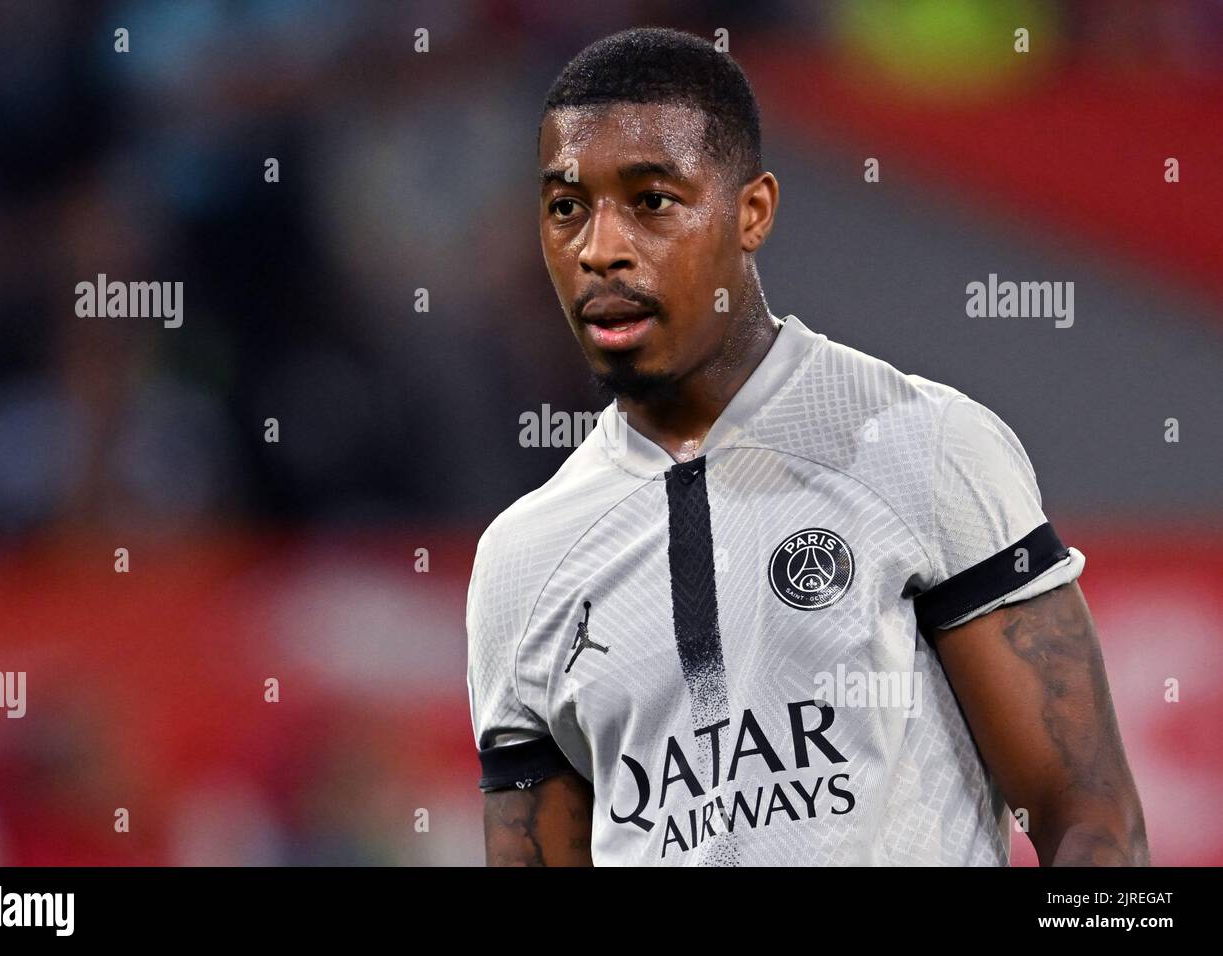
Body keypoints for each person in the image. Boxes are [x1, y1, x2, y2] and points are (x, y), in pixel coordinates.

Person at [466, 26, 1148, 866]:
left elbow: (1089, 816)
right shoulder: (521, 563)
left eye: (652, 201)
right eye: (566, 208)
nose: (601, 248)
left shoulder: (923, 446)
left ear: (751, 212)